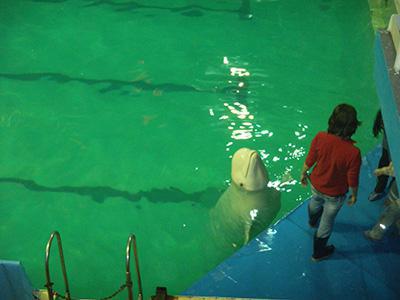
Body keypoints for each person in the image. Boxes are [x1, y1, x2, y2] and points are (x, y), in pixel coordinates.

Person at [300, 103, 361, 262]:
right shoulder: (354, 153)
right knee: (327, 221)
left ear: (332, 121)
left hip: (316, 184)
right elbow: (352, 179)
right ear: (353, 127)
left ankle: (312, 221)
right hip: (335, 194)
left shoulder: (320, 137)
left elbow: (310, 159)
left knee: (315, 201)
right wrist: (354, 195)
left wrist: (303, 173)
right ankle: (318, 253)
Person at [364, 162, 399, 240]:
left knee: (386, 217)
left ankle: (375, 235)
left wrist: (381, 171)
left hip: (396, 202)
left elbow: (395, 169)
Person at [368, 110, 392, 201]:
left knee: (394, 175)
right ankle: (379, 190)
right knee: (383, 169)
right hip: (387, 148)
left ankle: (391, 192)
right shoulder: (387, 113)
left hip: (394, 151)